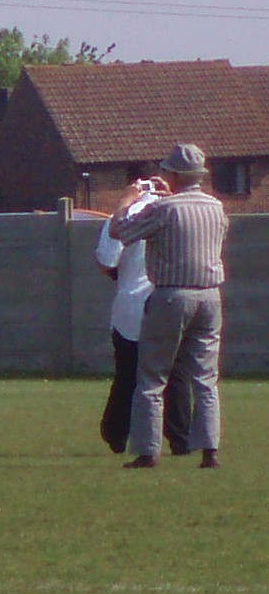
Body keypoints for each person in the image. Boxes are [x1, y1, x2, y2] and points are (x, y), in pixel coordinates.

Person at [109, 143, 230, 469]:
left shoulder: (166, 210)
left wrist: (126, 202)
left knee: (151, 376)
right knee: (205, 377)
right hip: (210, 295)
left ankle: (148, 452)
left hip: (171, 295)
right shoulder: (216, 208)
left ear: (174, 174)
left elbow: (120, 231)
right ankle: (210, 452)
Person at [95, 163, 191, 455]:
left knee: (128, 375)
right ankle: (180, 438)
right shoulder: (178, 210)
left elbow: (106, 260)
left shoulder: (126, 215)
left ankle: (116, 433)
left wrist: (124, 202)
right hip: (172, 301)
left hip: (131, 307)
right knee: (174, 375)